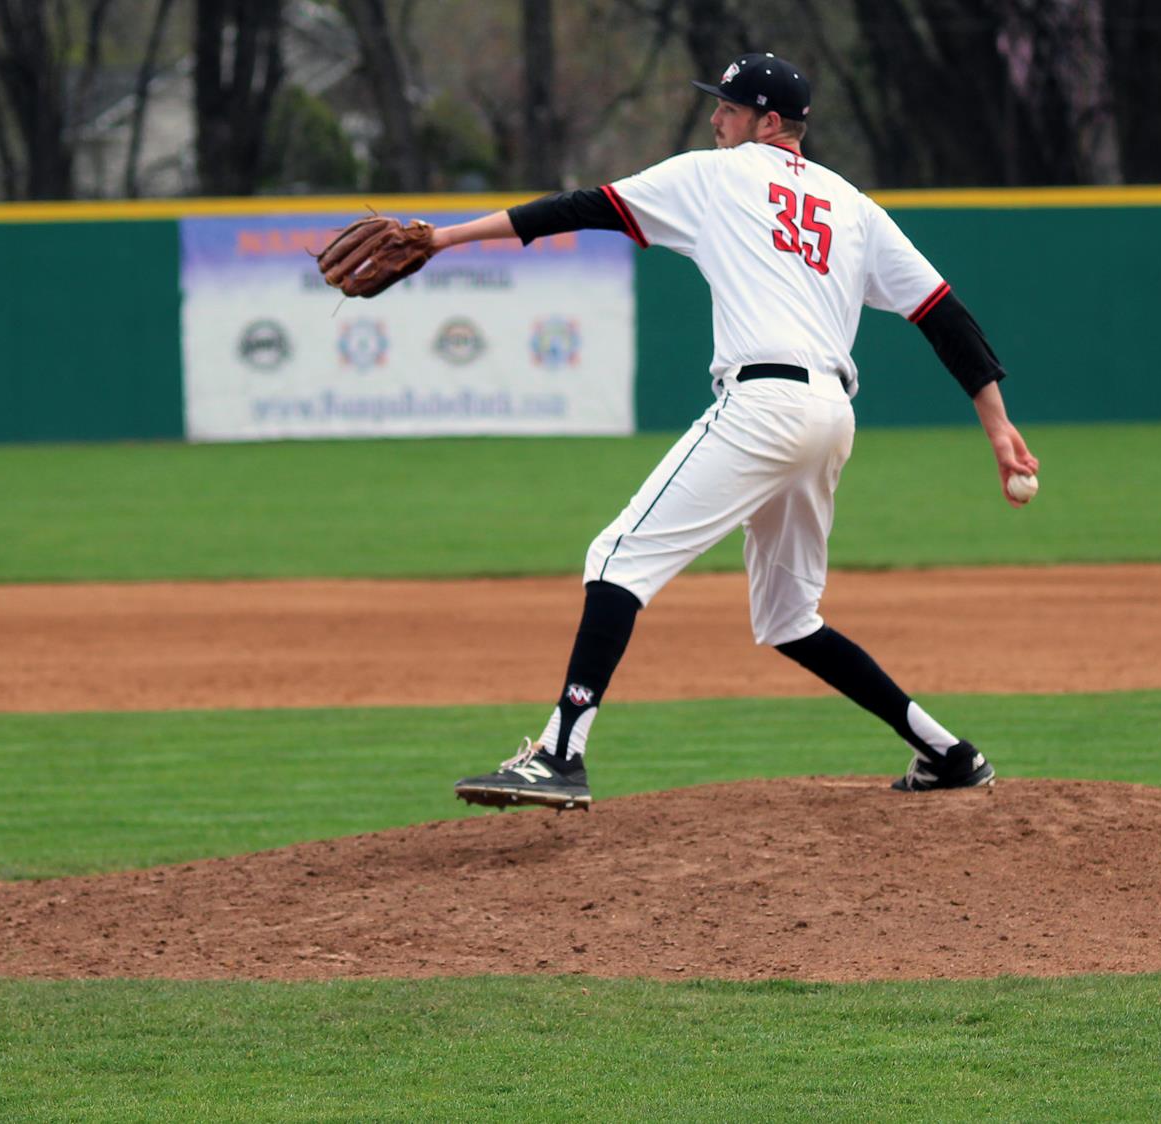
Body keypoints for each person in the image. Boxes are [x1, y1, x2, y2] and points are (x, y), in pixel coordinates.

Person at [444, 52, 1040, 809]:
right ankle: (946, 751)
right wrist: (998, 427)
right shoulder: (852, 205)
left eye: (727, 108)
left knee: (617, 555)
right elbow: (943, 314)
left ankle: (560, 754)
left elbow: (577, 207)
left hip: (763, 404)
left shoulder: (715, 174)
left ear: (766, 122)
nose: (715, 119)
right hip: (830, 418)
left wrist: (442, 241)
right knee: (791, 619)